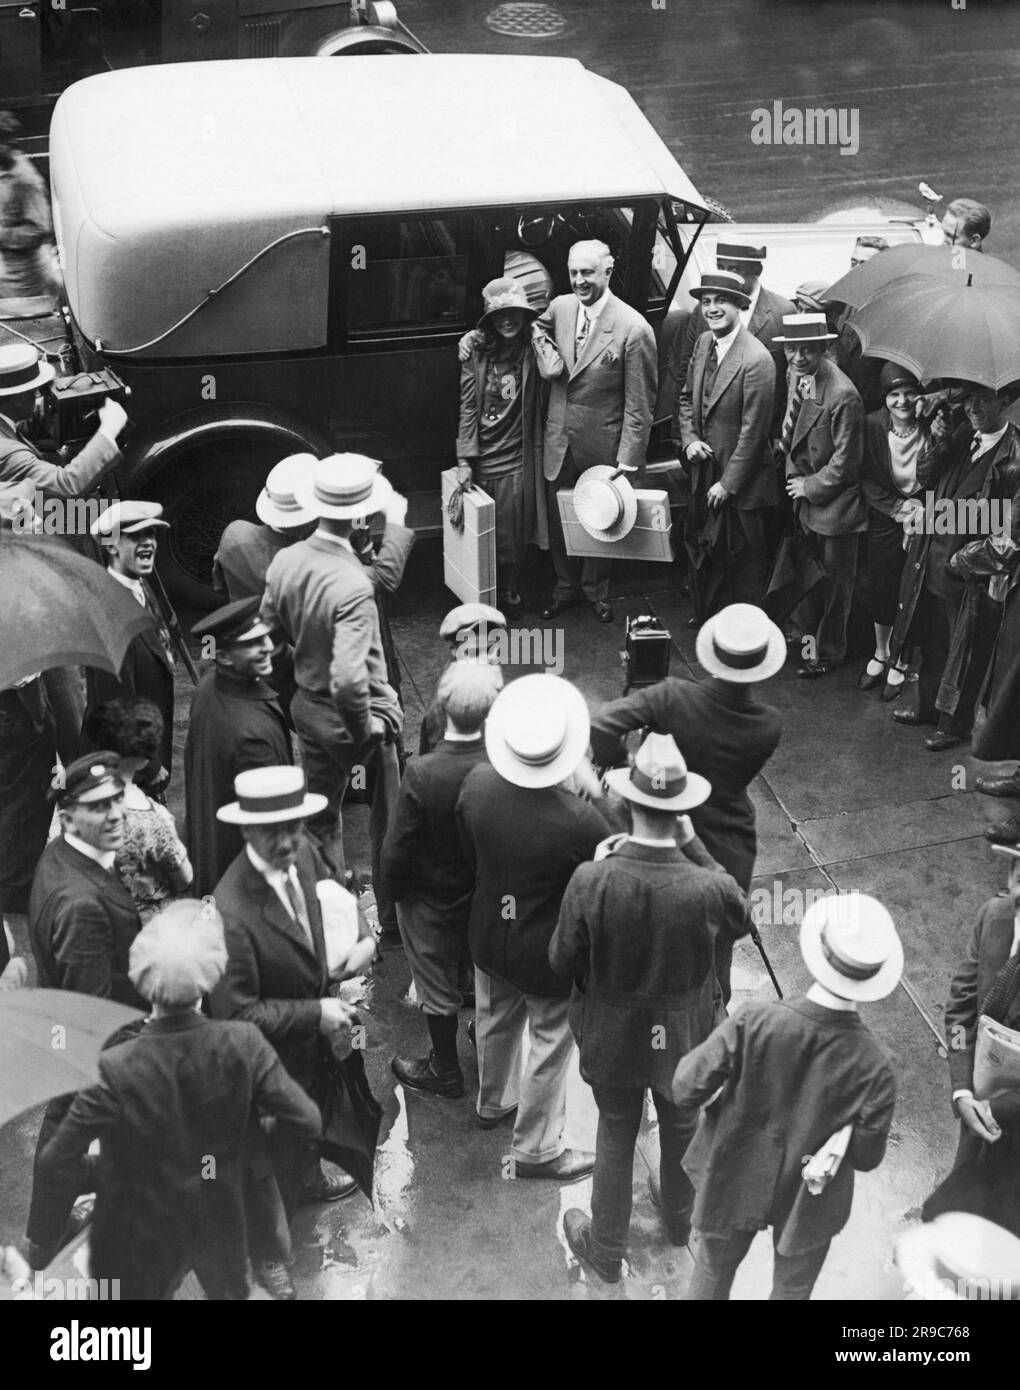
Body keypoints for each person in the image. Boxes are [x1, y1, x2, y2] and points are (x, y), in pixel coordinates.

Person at [33, 900, 321, 1300]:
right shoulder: (244, 1044)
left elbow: (54, 1162)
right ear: (209, 979)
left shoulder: (112, 1067)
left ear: (142, 978)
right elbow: (306, 1120)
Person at [551, 732, 749, 1283]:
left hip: (613, 1034)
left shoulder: (593, 879)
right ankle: (681, 1220)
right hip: (684, 1035)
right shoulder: (705, 887)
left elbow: (560, 958)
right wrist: (697, 847)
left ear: (629, 803)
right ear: (683, 811)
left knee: (617, 1127)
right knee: (681, 1119)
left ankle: (607, 1249)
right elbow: (743, 916)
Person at [673, 892, 900, 1301]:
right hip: (809, 1201)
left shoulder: (754, 1020)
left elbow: (685, 1088)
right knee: (792, 1291)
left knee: (712, 1271)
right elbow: (867, 1158)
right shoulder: (876, 1066)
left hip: (735, 1172)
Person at [210, 766, 376, 1295]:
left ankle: (305, 1173)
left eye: (295, 827)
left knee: (310, 1122)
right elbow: (236, 1017)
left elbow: (336, 907)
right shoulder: (231, 911)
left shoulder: (300, 854)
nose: (287, 842)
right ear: (245, 832)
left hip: (311, 1046)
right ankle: (268, 1253)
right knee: (265, 1161)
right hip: (267, 1062)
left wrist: (362, 943)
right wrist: (314, 1014)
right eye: (273, 832)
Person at [455, 674, 610, 1174]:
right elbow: (606, 874)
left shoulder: (476, 785)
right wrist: (594, 791)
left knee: (496, 1020)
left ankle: (493, 1101)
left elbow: (468, 852)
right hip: (546, 954)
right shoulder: (579, 821)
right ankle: (537, 1149)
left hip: (488, 934)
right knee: (549, 1044)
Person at [590, 604, 784, 997]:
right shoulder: (768, 725)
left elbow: (600, 726)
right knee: (716, 954)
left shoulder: (671, 697)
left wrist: (626, 765)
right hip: (729, 843)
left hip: (659, 833)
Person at [260, 454, 415, 934]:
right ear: (361, 516)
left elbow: (268, 635)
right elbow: (351, 680)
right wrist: (364, 726)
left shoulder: (285, 561)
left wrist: (308, 660)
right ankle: (390, 920)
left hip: (308, 713)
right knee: (389, 822)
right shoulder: (352, 584)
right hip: (361, 722)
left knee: (322, 821)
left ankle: (332, 917)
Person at [25, 752, 144, 1264]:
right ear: (69, 815)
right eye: (98, 807)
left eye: (117, 800)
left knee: (63, 1135)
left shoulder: (60, 853)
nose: (115, 814)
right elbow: (94, 1017)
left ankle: (41, 1238)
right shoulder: (82, 906)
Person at [383, 662, 503, 1098]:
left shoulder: (421, 772)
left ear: (443, 708)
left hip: (430, 897)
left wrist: (396, 896)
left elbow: (396, 849)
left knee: (434, 984)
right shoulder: (500, 765)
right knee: (482, 973)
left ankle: (445, 1069)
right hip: (482, 893)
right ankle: (484, 1038)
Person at [533, 239, 658, 625]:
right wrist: (545, 351)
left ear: (608, 270)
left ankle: (596, 591)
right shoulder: (560, 307)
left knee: (600, 522)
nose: (579, 281)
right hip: (559, 441)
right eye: (573, 273)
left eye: (587, 272)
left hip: (602, 448)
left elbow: (640, 405)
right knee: (559, 520)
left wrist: (628, 460)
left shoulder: (633, 328)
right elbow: (536, 325)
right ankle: (564, 588)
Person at [891, 383, 1020, 752]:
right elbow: (926, 476)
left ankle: (954, 724)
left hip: (969, 571)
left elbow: (1008, 535)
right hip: (933, 556)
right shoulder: (963, 434)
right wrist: (938, 439)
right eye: (970, 400)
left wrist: (963, 562)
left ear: (1006, 402)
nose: (975, 407)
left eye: (985, 400)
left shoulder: (1014, 452)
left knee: (967, 652)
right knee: (932, 641)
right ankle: (928, 709)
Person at [922, 843, 1020, 1236]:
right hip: (978, 1112)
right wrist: (962, 1091)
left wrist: (999, 1109)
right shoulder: (993, 917)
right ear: (1011, 878)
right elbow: (961, 1014)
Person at [676, 271, 777, 617]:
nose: (712, 308)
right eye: (706, 302)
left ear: (739, 305)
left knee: (744, 561)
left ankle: (746, 634)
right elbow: (687, 398)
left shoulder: (757, 360)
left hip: (743, 485)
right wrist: (690, 441)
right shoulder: (705, 342)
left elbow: (754, 433)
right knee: (703, 548)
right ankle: (707, 616)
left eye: (721, 301)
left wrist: (728, 484)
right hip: (704, 473)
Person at [775, 313, 867, 677]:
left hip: (836, 506)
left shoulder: (844, 395)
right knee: (808, 575)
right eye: (792, 350)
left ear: (824, 349)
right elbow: (793, 424)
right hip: (805, 495)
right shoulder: (796, 374)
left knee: (834, 587)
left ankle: (828, 652)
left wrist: (807, 486)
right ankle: (803, 635)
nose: (798, 358)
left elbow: (847, 465)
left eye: (807, 351)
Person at [455, 277, 553, 617]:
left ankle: (510, 591)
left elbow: (554, 369)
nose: (507, 320)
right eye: (500, 315)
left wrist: (537, 332)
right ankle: (483, 589)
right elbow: (468, 407)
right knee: (483, 529)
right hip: (485, 453)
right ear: (490, 321)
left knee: (514, 531)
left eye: (514, 313)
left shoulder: (531, 347)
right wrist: (465, 458)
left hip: (517, 454)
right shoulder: (476, 352)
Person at [184, 597, 293, 898]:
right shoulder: (252, 738)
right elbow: (273, 828)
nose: (269, 647)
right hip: (250, 883)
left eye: (266, 637)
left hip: (213, 864)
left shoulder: (207, 688)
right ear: (226, 657)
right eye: (254, 643)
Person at [213, 453, 318, 718]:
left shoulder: (234, 533)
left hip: (240, 651)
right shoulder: (302, 563)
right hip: (284, 666)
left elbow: (219, 586)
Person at [858, 365, 937, 701]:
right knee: (881, 584)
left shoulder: (934, 425)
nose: (902, 401)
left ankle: (902, 659)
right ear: (884, 398)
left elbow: (940, 475)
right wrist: (896, 510)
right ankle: (881, 651)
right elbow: (865, 478)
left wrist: (921, 511)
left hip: (925, 514)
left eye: (909, 393)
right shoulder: (872, 425)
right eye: (894, 394)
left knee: (913, 588)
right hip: (887, 515)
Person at [83, 501, 176, 783]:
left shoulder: (139, 584)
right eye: (136, 536)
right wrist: (146, 764)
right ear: (111, 546)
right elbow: (116, 704)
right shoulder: (109, 612)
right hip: (128, 763)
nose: (148, 543)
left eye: (152, 535)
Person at [84, 697, 192, 922]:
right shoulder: (154, 819)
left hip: (98, 916)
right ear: (143, 758)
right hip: (145, 923)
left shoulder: (79, 800)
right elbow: (184, 879)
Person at [670, 241, 794, 431]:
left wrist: (783, 434)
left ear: (757, 270)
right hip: (707, 437)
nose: (726, 274)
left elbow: (794, 379)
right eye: (721, 267)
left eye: (735, 269)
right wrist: (681, 435)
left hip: (761, 433)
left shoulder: (783, 312)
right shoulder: (704, 311)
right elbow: (685, 373)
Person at [418, 602, 506, 755]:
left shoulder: (469, 674)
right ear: (453, 648)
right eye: (476, 651)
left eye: (491, 648)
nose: (485, 658)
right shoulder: (444, 708)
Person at [0, 114, 58, 300]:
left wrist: (2, 235)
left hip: (27, 282)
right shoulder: (5, 172)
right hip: (8, 273)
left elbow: (39, 229)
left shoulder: (26, 181)